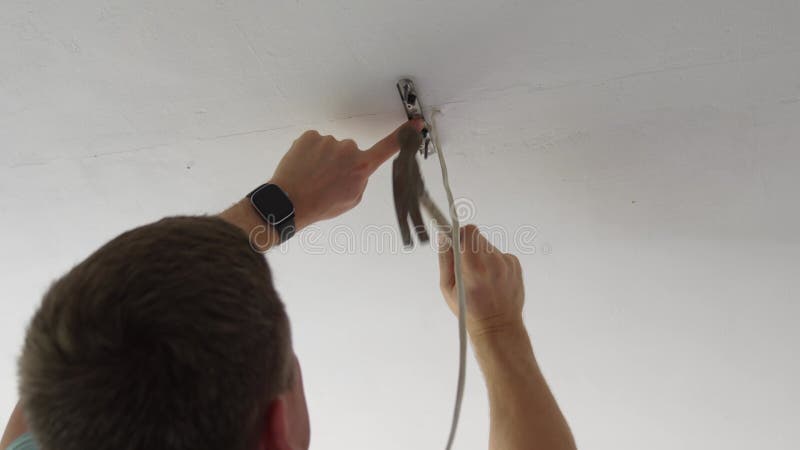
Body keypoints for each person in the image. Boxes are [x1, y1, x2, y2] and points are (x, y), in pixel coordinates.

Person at [0, 119, 576, 450]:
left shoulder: (63, 414)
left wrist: (278, 207)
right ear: (277, 429)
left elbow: (92, 337)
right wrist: (498, 329)